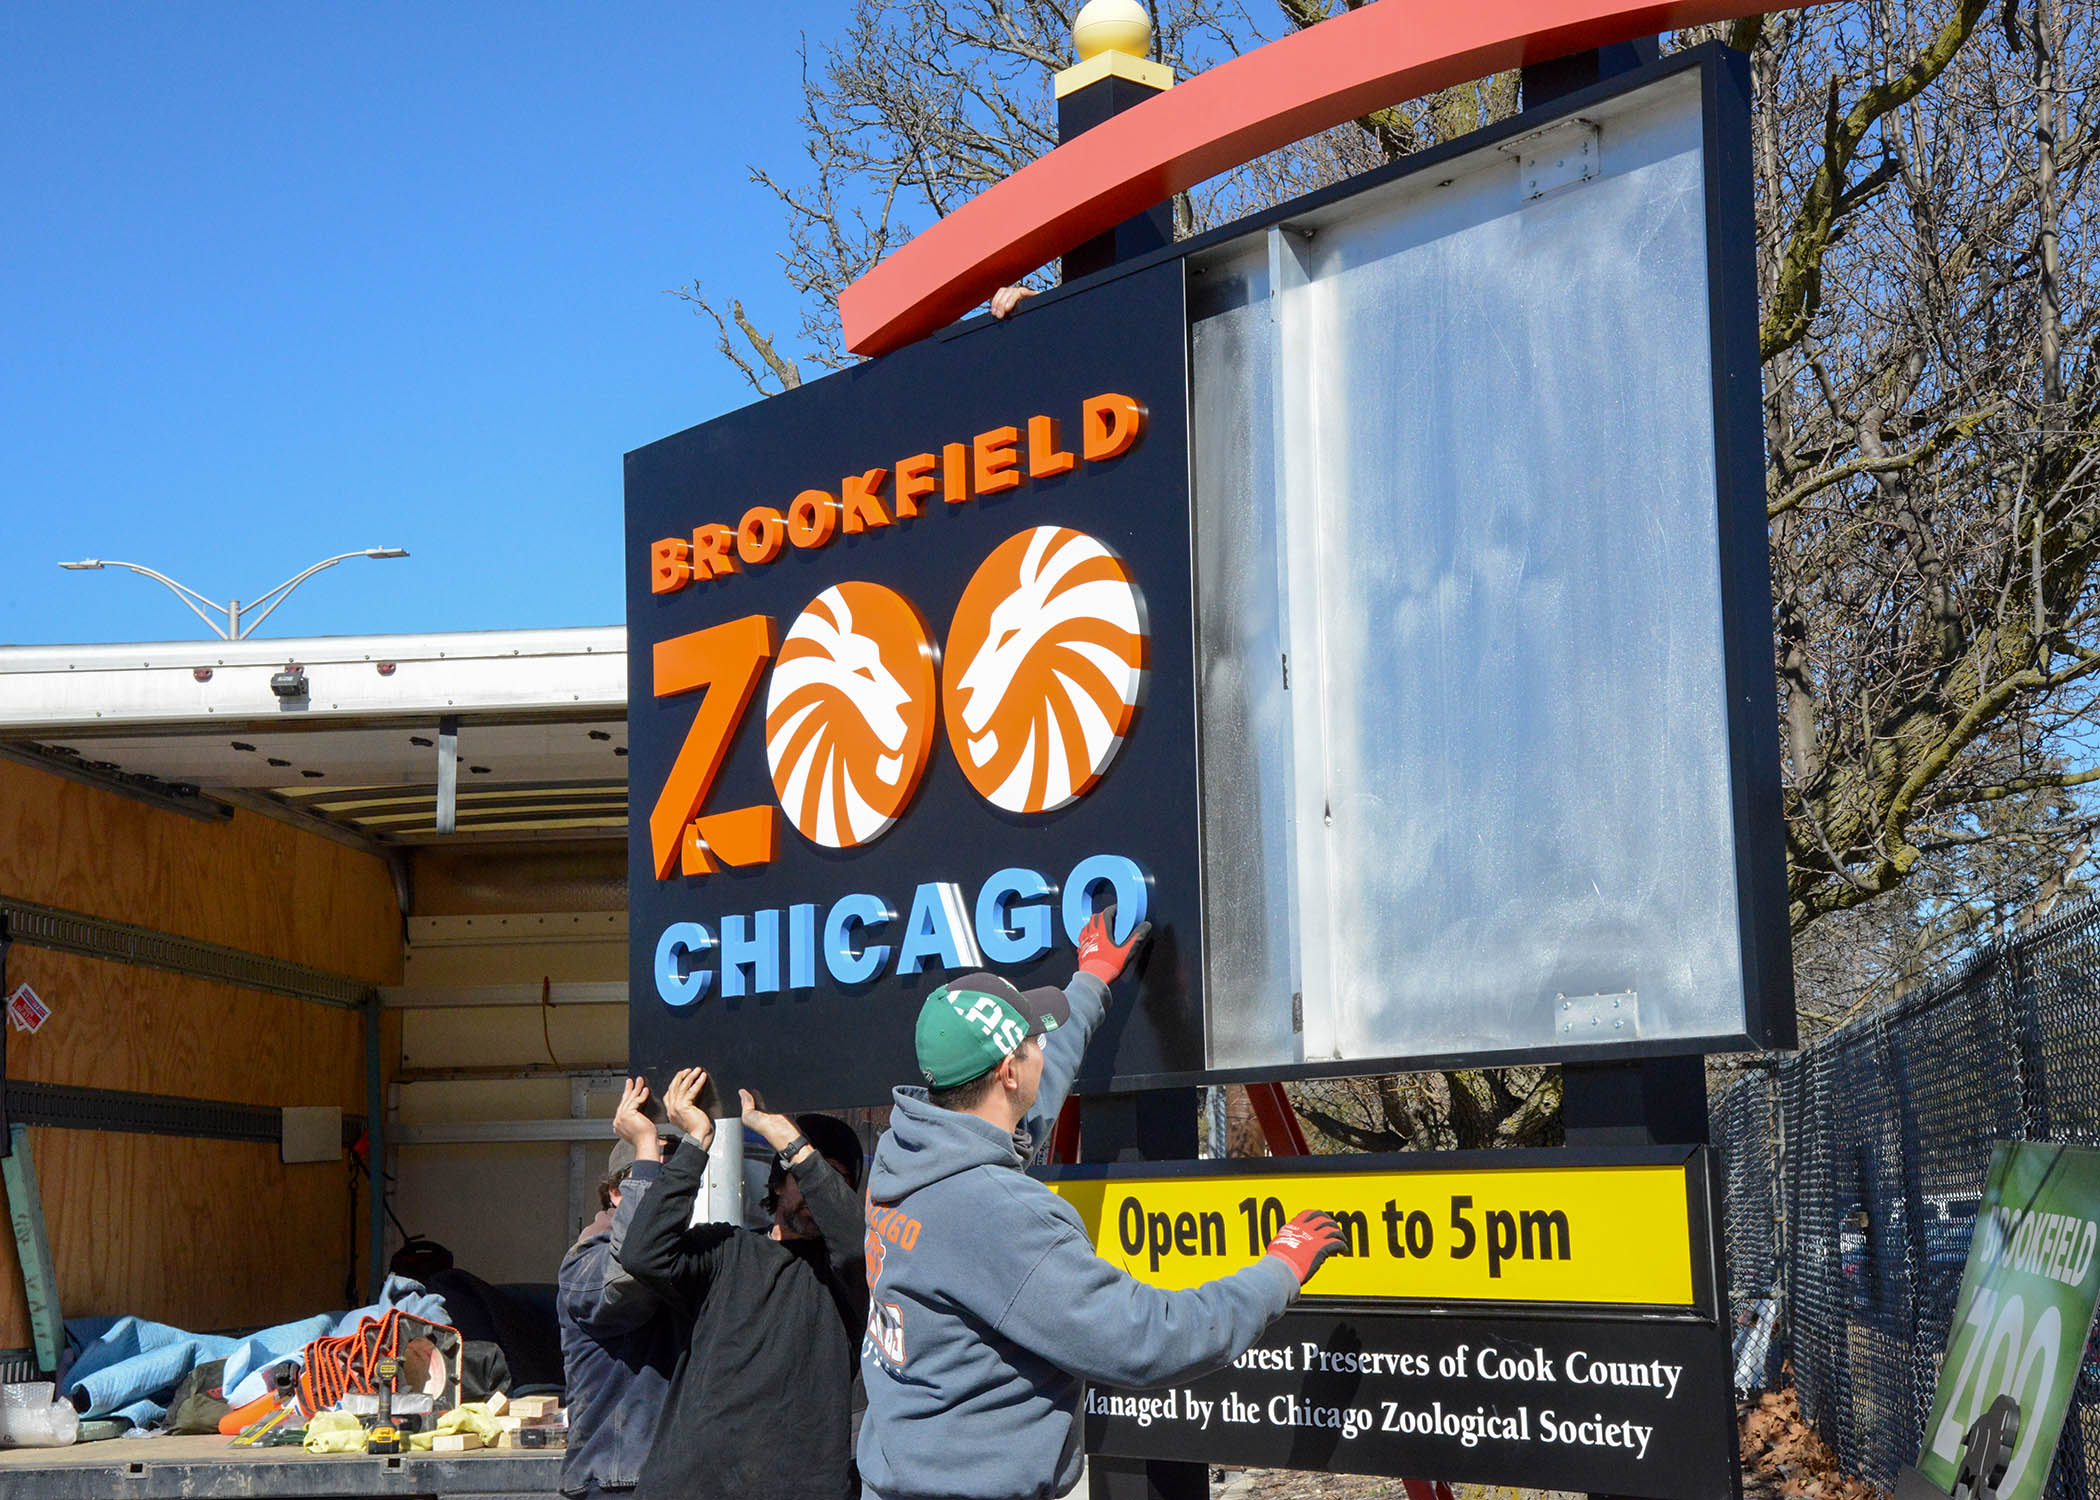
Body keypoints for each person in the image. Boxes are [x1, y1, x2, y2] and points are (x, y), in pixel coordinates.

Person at [857, 907, 1347, 1500]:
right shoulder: (1001, 1216)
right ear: (1009, 1071)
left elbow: (1027, 1111)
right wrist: (1279, 1271)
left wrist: (1090, 981)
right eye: (1035, 1037)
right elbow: (1149, 1341)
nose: (1044, 1043)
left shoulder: (908, 1156)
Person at [618, 1066, 867, 1500]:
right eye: (804, 1174)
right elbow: (643, 1254)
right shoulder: (726, 1248)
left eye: (835, 1180)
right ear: (777, 1181)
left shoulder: (849, 1276)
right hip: (689, 1485)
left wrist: (787, 1139)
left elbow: (855, 1244)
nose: (816, 1190)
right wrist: (695, 1143)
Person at [556, 1076, 683, 1500]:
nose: (665, 1193)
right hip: (618, 1483)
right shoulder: (587, 1261)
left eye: (675, 1183)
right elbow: (628, 1276)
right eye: (651, 1179)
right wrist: (646, 1147)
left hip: (671, 1478)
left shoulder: (685, 1256)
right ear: (614, 1193)